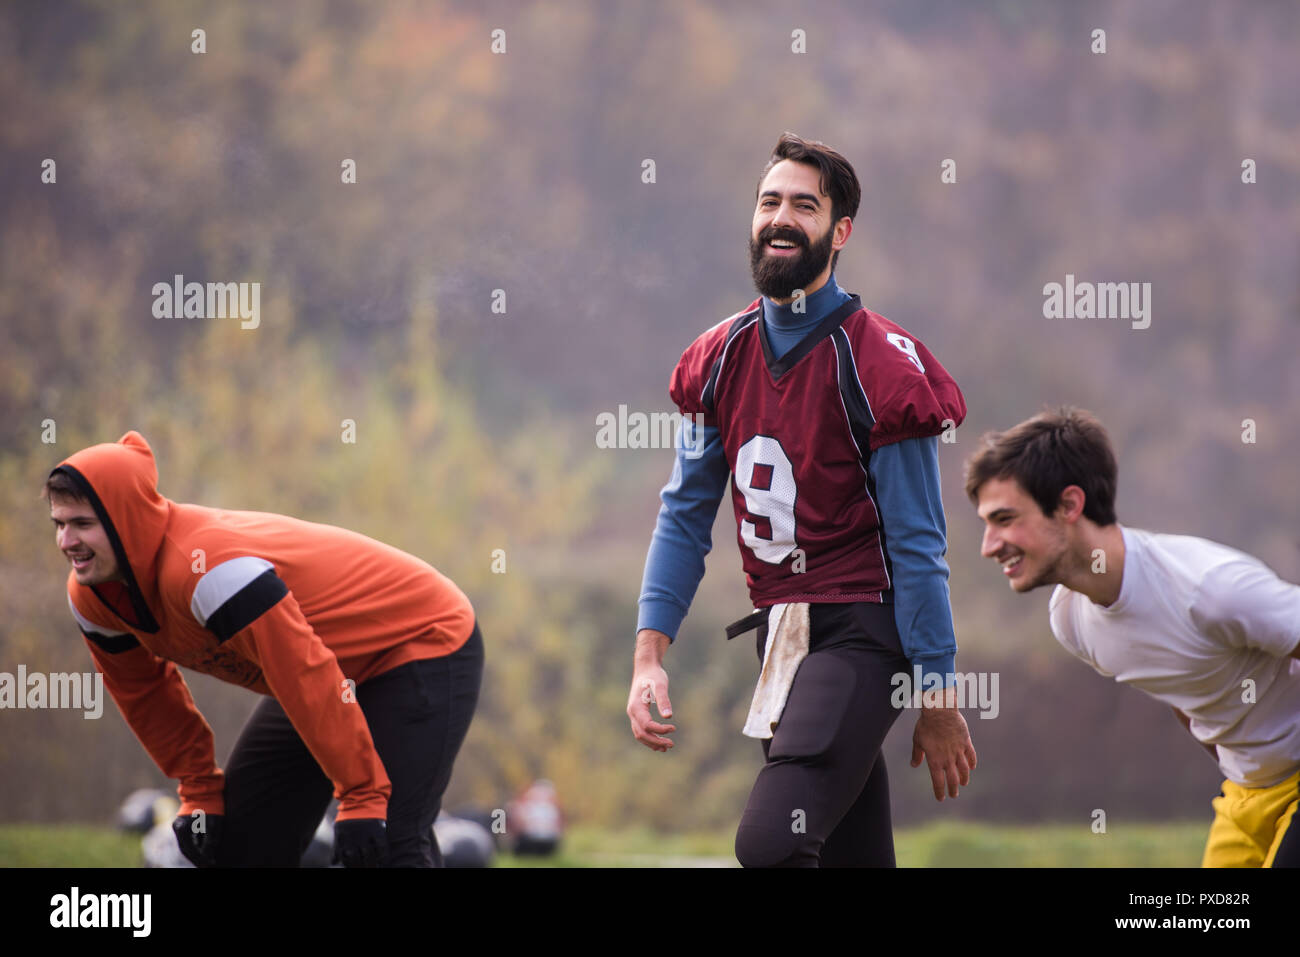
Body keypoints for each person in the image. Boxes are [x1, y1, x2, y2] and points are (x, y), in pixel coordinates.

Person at [626, 132, 977, 867]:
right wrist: (648, 657)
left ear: (840, 231)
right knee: (847, 851)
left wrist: (939, 690)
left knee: (770, 842)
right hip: (779, 631)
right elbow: (685, 514)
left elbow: (918, 543)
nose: (781, 217)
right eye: (769, 201)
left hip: (861, 627)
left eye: (804, 206)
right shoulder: (719, 356)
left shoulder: (877, 361)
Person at [46, 430, 483, 867]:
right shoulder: (92, 595)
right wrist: (199, 789)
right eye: (60, 524)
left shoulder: (206, 571)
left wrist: (361, 794)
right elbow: (146, 695)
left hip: (417, 640)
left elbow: (303, 673)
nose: (67, 542)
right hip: (324, 674)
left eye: (83, 524)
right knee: (240, 847)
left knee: (383, 844)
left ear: (127, 519)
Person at [965, 407, 1300, 867]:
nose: (988, 545)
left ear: (1069, 505)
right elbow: (1184, 694)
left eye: (1004, 518)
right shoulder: (1070, 621)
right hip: (1246, 795)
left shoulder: (1209, 588)